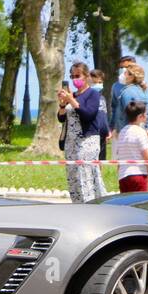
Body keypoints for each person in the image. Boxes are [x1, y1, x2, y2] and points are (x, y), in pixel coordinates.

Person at [58, 60, 105, 203]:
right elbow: (61, 118)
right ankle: (77, 205)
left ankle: (91, 205)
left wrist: (72, 101)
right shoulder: (73, 95)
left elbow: (88, 114)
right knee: (74, 177)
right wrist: (62, 104)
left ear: (86, 76)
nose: (75, 79)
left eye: (78, 76)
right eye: (72, 76)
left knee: (86, 177)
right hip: (71, 143)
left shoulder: (93, 94)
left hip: (87, 141)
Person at [114, 101, 148, 193]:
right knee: (139, 204)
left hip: (123, 176)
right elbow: (146, 156)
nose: (147, 116)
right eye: (145, 114)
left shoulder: (122, 131)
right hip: (137, 174)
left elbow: (119, 154)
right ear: (140, 117)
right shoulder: (140, 132)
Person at [111, 61, 148, 135]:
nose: (123, 74)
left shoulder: (127, 92)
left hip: (128, 131)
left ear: (132, 76)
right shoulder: (139, 90)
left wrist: (118, 130)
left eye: (125, 72)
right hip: (139, 130)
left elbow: (129, 114)